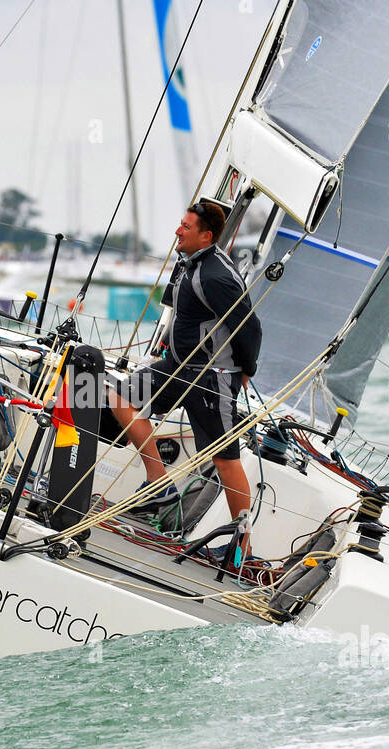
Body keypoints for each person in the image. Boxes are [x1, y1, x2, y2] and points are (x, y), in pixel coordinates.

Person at [108, 201, 262, 546]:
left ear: (206, 236)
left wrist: (246, 371)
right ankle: (159, 485)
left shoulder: (218, 276)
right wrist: (167, 341)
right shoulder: (186, 263)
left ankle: (242, 544)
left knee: (224, 461)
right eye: (180, 224)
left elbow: (249, 328)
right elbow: (179, 309)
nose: (178, 231)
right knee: (119, 397)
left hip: (212, 377)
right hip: (178, 368)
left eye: (186, 227)